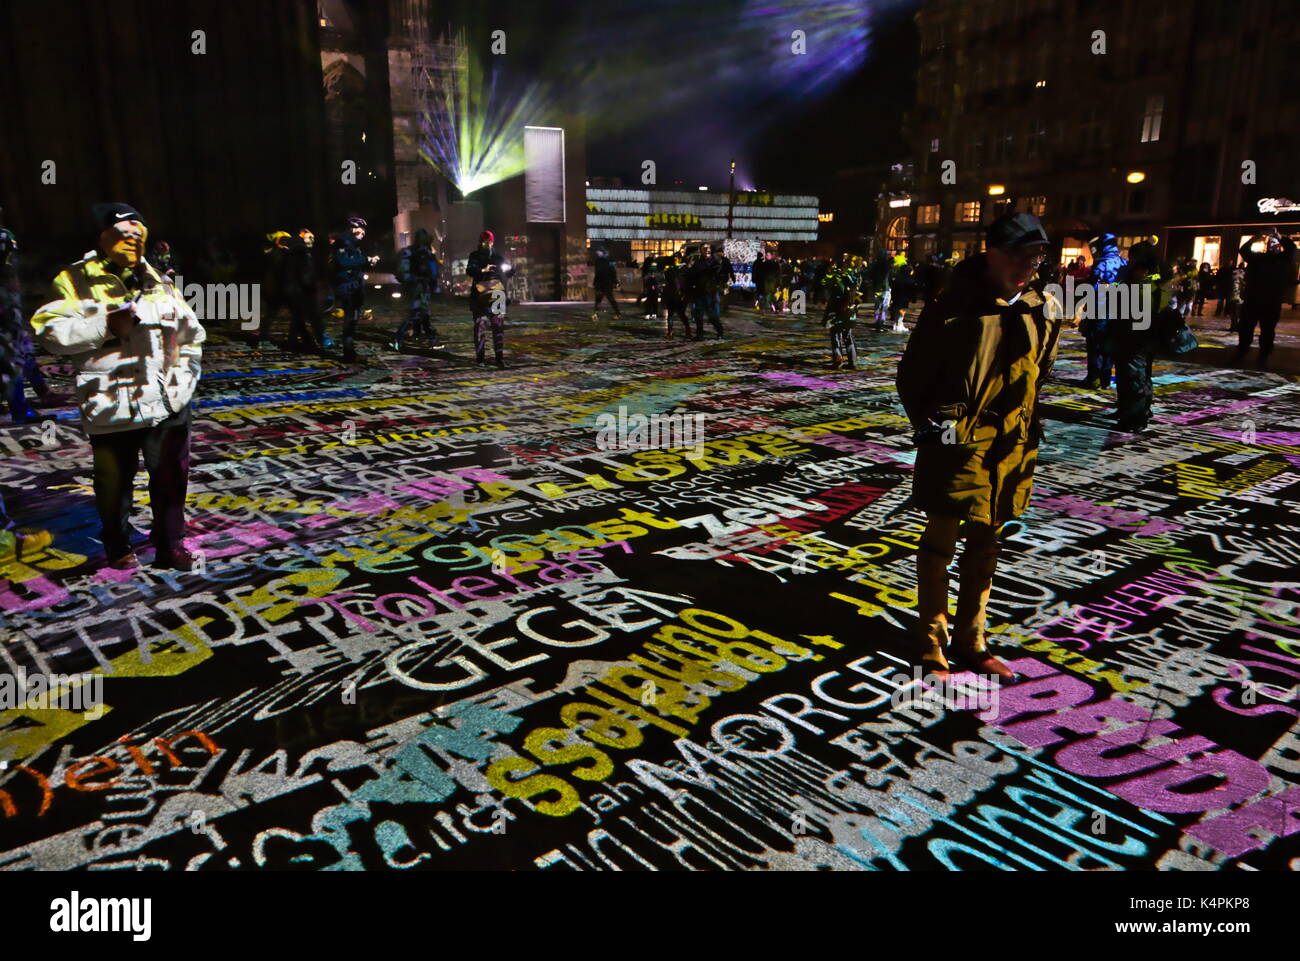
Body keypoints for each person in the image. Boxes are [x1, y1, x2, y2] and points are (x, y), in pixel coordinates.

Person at [896, 212, 1063, 682]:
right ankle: (931, 641)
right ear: (991, 252)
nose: (1027, 266)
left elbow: (1039, 370)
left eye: (1035, 257)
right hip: (959, 439)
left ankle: (973, 638)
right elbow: (913, 377)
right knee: (940, 543)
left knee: (986, 543)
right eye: (1018, 256)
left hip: (1013, 443)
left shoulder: (1042, 307)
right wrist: (938, 428)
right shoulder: (952, 306)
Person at [30, 202, 205, 570]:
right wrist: (106, 326)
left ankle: (170, 544)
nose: (132, 241)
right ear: (101, 238)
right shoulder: (73, 279)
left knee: (172, 478)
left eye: (138, 235)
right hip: (112, 401)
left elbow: (191, 334)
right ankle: (116, 543)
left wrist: (185, 378)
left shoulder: (159, 279)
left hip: (168, 400)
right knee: (113, 483)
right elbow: (49, 332)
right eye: (122, 234)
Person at [1106, 241, 1167, 434]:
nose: (1129, 260)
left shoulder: (1144, 279)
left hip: (1135, 335)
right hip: (1139, 334)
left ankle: (1134, 418)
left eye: (1132, 256)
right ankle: (1131, 411)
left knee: (1134, 377)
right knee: (1135, 375)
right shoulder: (1153, 276)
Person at [1236, 228, 1296, 367]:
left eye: (1274, 243)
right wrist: (1254, 238)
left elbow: (1292, 249)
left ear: (1278, 246)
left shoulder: (1282, 259)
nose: (1271, 245)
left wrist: (1279, 236)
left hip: (1271, 300)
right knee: (1246, 328)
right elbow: (1244, 251)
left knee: (1268, 330)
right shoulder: (1258, 258)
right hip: (1253, 299)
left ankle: (1263, 355)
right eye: (1269, 243)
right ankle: (1242, 352)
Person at [1080, 233, 1124, 389]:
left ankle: (1094, 378)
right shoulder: (1124, 263)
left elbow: (1091, 289)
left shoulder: (1101, 265)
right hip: (1119, 311)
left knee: (1095, 345)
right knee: (1109, 346)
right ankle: (1106, 378)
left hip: (1099, 309)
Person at [391, 228, 443, 350]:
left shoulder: (421, 251)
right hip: (417, 286)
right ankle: (400, 339)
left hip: (422, 286)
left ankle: (429, 338)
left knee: (421, 314)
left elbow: (433, 270)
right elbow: (405, 271)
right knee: (417, 313)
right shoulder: (415, 252)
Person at [329, 216, 370, 363]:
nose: (363, 232)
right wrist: (366, 260)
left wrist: (367, 262)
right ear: (352, 228)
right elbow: (344, 262)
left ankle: (350, 352)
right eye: (361, 228)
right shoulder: (344, 243)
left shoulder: (352, 244)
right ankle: (348, 354)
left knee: (352, 320)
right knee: (350, 320)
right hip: (347, 286)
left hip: (354, 286)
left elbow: (353, 264)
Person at [467, 229, 506, 367]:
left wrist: (507, 270)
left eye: (489, 242)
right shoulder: (474, 256)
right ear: (480, 242)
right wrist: (483, 270)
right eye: (485, 242)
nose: (487, 244)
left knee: (498, 326)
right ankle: (480, 358)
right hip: (480, 294)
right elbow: (469, 270)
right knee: (480, 326)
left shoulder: (498, 256)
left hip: (497, 293)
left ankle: (500, 358)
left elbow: (506, 271)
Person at [284, 228, 321, 352]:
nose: (312, 240)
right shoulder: (301, 252)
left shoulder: (300, 252)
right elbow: (303, 272)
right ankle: (307, 342)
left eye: (313, 238)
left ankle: (297, 341)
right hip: (301, 289)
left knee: (298, 317)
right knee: (306, 316)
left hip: (298, 288)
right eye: (309, 237)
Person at [823, 258, 861, 369]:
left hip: (836, 310)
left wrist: (830, 273)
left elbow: (825, 284)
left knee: (835, 335)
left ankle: (838, 360)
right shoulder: (853, 277)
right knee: (848, 335)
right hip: (849, 310)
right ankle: (852, 361)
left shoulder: (836, 277)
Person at [687, 244, 727, 339]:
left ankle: (719, 332)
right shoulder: (698, 263)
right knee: (698, 315)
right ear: (701, 251)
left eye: (707, 248)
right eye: (704, 249)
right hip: (700, 292)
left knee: (713, 315)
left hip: (711, 293)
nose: (706, 250)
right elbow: (692, 276)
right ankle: (700, 334)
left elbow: (722, 275)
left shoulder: (715, 263)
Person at [661, 253, 690, 339]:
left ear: (680, 259)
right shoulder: (670, 269)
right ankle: (670, 331)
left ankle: (687, 330)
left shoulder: (684, 269)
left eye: (677, 258)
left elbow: (687, 282)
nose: (675, 259)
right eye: (674, 258)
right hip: (671, 295)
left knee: (681, 314)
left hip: (680, 295)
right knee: (670, 314)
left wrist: (685, 293)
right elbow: (667, 279)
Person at [592, 249, 621, 319]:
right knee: (601, 299)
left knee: (604, 299)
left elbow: (612, 272)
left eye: (599, 253)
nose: (598, 254)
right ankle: (617, 313)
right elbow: (612, 272)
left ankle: (617, 313)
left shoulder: (601, 262)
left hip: (605, 283)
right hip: (604, 283)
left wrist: (615, 281)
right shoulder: (602, 262)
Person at [1225, 260, 1244, 333]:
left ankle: (1235, 326)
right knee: (1234, 312)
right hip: (1235, 297)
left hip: (1237, 297)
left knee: (1236, 312)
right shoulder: (1235, 282)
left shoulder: (1240, 282)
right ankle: (1234, 325)